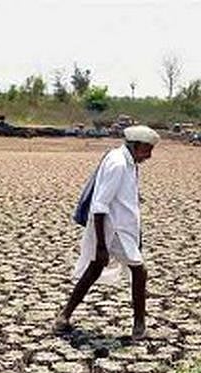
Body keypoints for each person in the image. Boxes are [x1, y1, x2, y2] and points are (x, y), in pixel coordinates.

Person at [54, 125, 159, 340]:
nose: (149, 155)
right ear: (137, 146)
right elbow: (100, 204)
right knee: (139, 272)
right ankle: (139, 327)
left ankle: (63, 318)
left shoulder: (123, 158)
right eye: (147, 150)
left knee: (94, 270)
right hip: (115, 230)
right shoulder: (119, 164)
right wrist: (101, 245)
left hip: (120, 228)